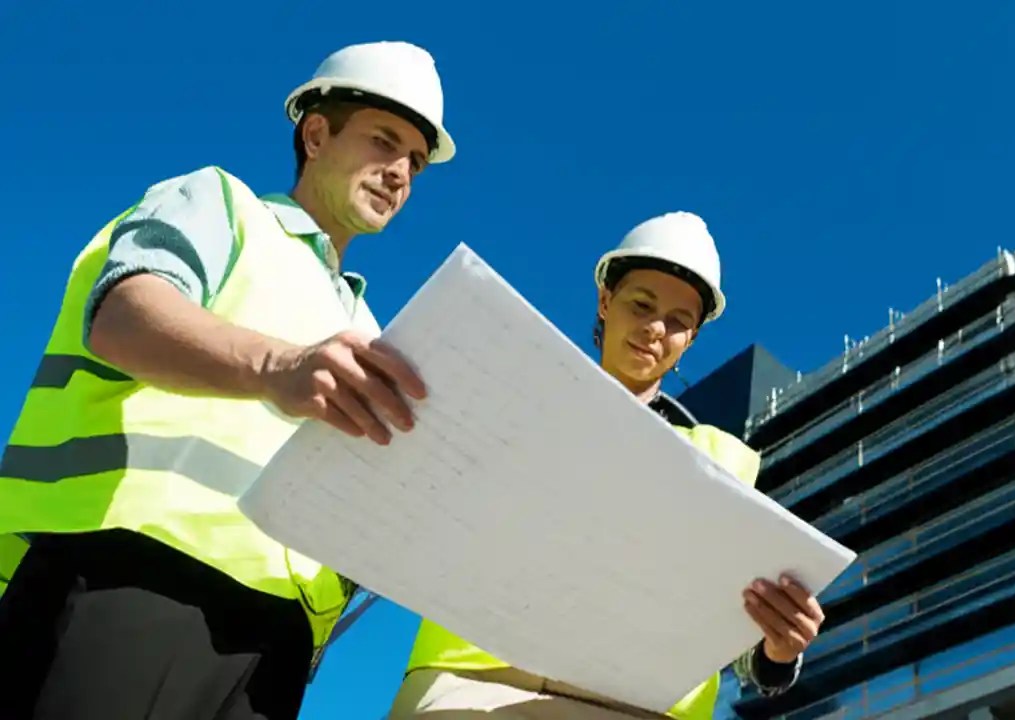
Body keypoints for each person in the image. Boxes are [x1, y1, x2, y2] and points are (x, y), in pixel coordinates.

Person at [0, 40, 456, 720]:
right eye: (384, 142)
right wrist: (279, 367)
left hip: (276, 649)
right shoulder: (224, 205)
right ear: (316, 132)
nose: (399, 174)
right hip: (138, 577)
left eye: (415, 163)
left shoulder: (371, 327)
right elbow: (124, 314)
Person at [387, 211, 827, 720]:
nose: (655, 329)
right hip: (471, 685)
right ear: (605, 301)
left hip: (636, 707)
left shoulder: (725, 462)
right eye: (641, 305)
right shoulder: (510, 402)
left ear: (692, 340)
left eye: (679, 323)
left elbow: (737, 631)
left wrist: (779, 651)